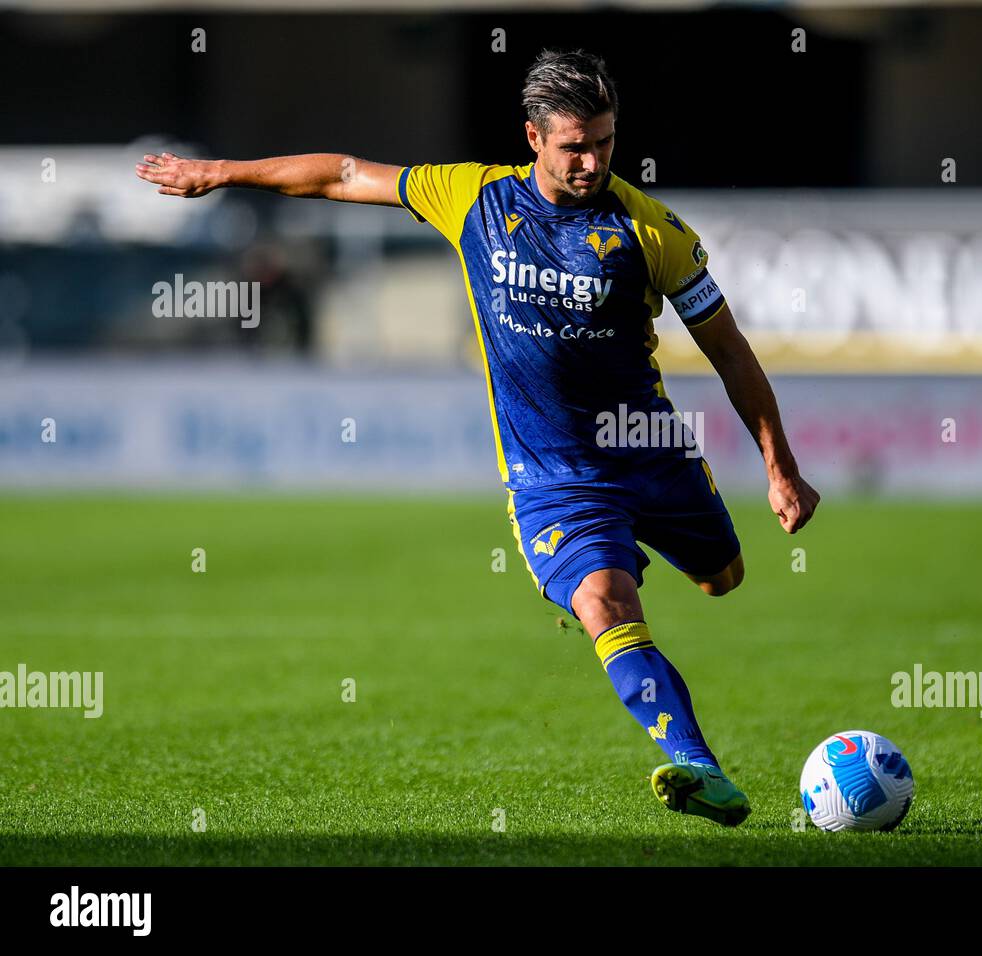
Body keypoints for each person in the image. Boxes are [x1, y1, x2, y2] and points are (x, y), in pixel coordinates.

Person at [135, 48, 819, 827]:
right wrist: (220, 171)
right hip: (551, 474)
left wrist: (779, 469)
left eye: (604, 141)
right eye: (574, 145)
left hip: (647, 448)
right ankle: (699, 766)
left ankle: (634, 556)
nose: (592, 160)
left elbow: (728, 349)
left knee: (722, 578)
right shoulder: (475, 199)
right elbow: (341, 174)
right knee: (603, 600)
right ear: (533, 137)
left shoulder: (649, 230)